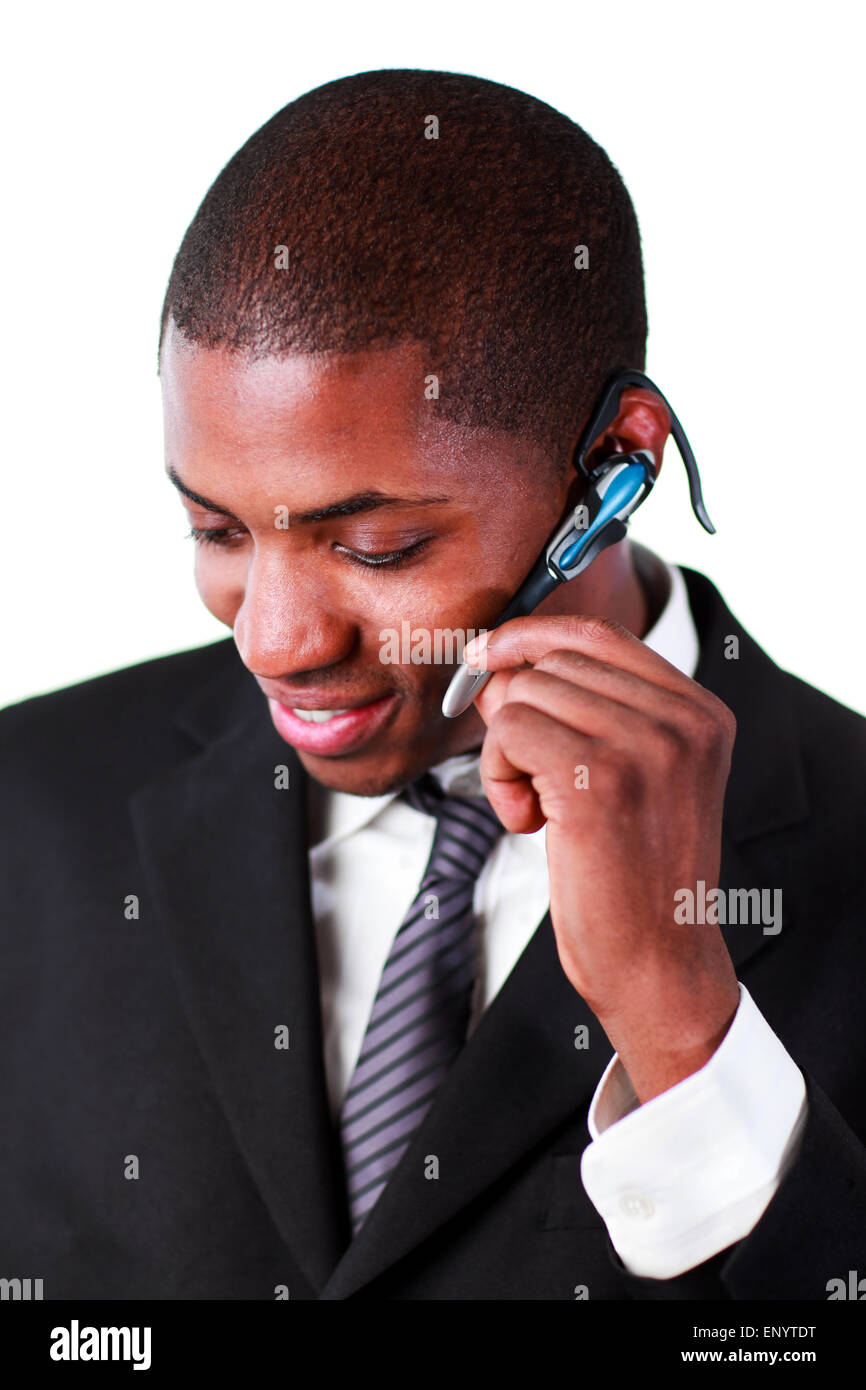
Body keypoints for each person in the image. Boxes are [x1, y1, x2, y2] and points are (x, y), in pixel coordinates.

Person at [1, 68, 864, 1301]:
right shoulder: (26, 807)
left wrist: (685, 1038)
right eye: (218, 531)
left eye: (377, 548)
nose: (275, 642)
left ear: (614, 465)